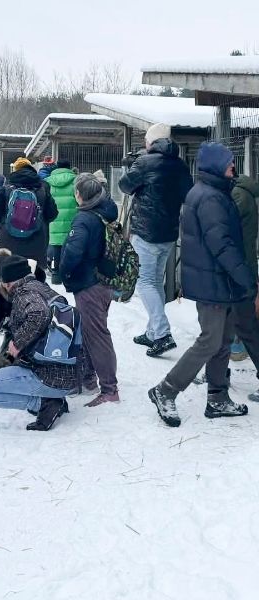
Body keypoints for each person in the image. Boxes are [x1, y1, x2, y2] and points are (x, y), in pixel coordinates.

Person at [148, 143, 254, 428]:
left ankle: (218, 397)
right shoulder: (209, 198)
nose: (233, 166)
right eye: (229, 162)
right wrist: (245, 277)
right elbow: (222, 244)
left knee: (223, 340)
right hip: (213, 281)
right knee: (210, 341)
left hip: (220, 281)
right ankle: (166, 390)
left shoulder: (214, 192)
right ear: (216, 165)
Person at [0, 255, 77, 431]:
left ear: (6, 283)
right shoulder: (42, 288)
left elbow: (38, 314)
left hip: (46, 376)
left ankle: (44, 403)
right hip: (68, 374)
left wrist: (17, 343)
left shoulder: (23, 294)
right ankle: (50, 398)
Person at [119, 122, 193, 357]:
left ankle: (162, 334)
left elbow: (124, 186)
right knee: (155, 282)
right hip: (168, 234)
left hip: (146, 233)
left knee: (145, 282)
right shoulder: (180, 165)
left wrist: (133, 166)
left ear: (152, 141)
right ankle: (152, 332)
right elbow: (188, 194)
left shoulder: (145, 162)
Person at [59, 173, 120, 407]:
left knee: (97, 335)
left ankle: (109, 389)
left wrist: (64, 272)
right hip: (103, 281)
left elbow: (74, 252)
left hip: (89, 284)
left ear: (79, 195)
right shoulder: (105, 213)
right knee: (89, 331)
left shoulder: (84, 219)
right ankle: (87, 378)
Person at [0, 157, 58, 272]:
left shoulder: (6, 189)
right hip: (37, 243)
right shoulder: (43, 188)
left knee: (10, 277)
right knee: (35, 278)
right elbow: (52, 213)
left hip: (10, 242)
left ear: (15, 170)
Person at [229, 174, 259, 399]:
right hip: (241, 267)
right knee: (220, 323)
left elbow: (225, 231)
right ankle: (215, 372)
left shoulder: (238, 196)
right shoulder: (243, 193)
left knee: (246, 324)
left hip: (239, 269)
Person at [45, 159, 77, 284]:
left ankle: (56, 274)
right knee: (70, 247)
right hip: (71, 218)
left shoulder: (47, 181)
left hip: (54, 219)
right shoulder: (76, 181)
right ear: (69, 167)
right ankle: (69, 275)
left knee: (56, 247)